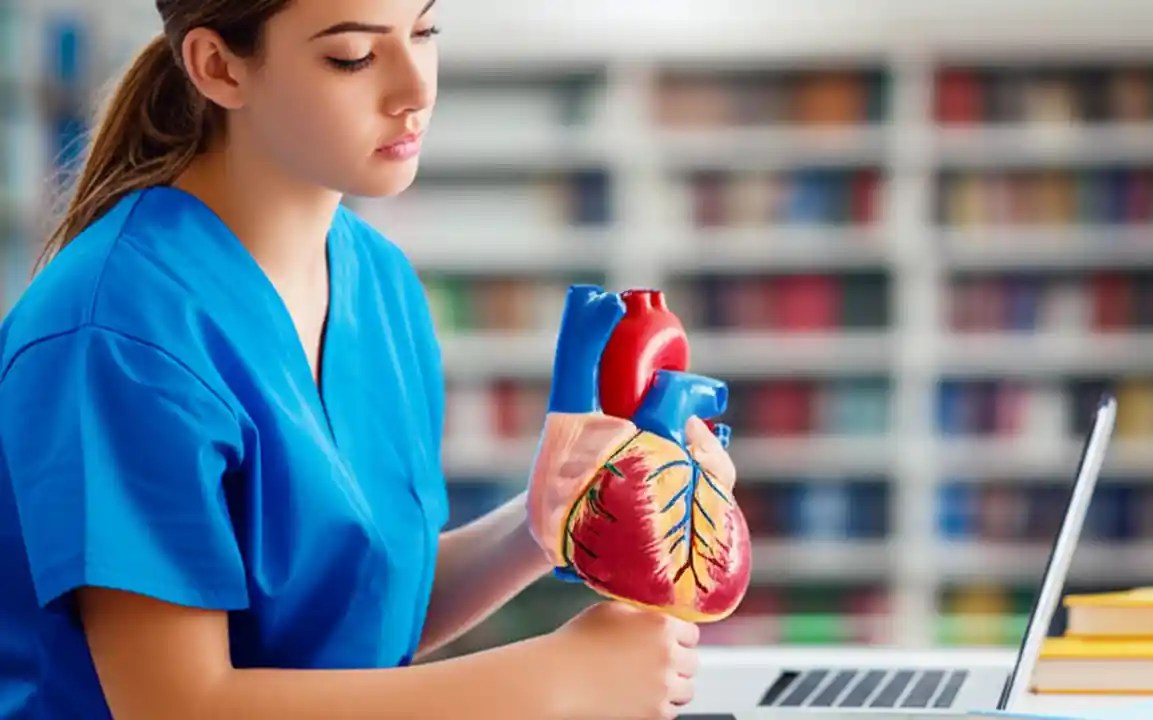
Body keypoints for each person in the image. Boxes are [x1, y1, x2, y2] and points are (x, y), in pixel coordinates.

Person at [0, 1, 717, 718]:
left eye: (425, 33)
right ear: (218, 67)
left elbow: (353, 621)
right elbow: (175, 704)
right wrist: (557, 682)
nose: (416, 90)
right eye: (353, 56)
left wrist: (547, 521)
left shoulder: (378, 280)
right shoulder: (117, 333)